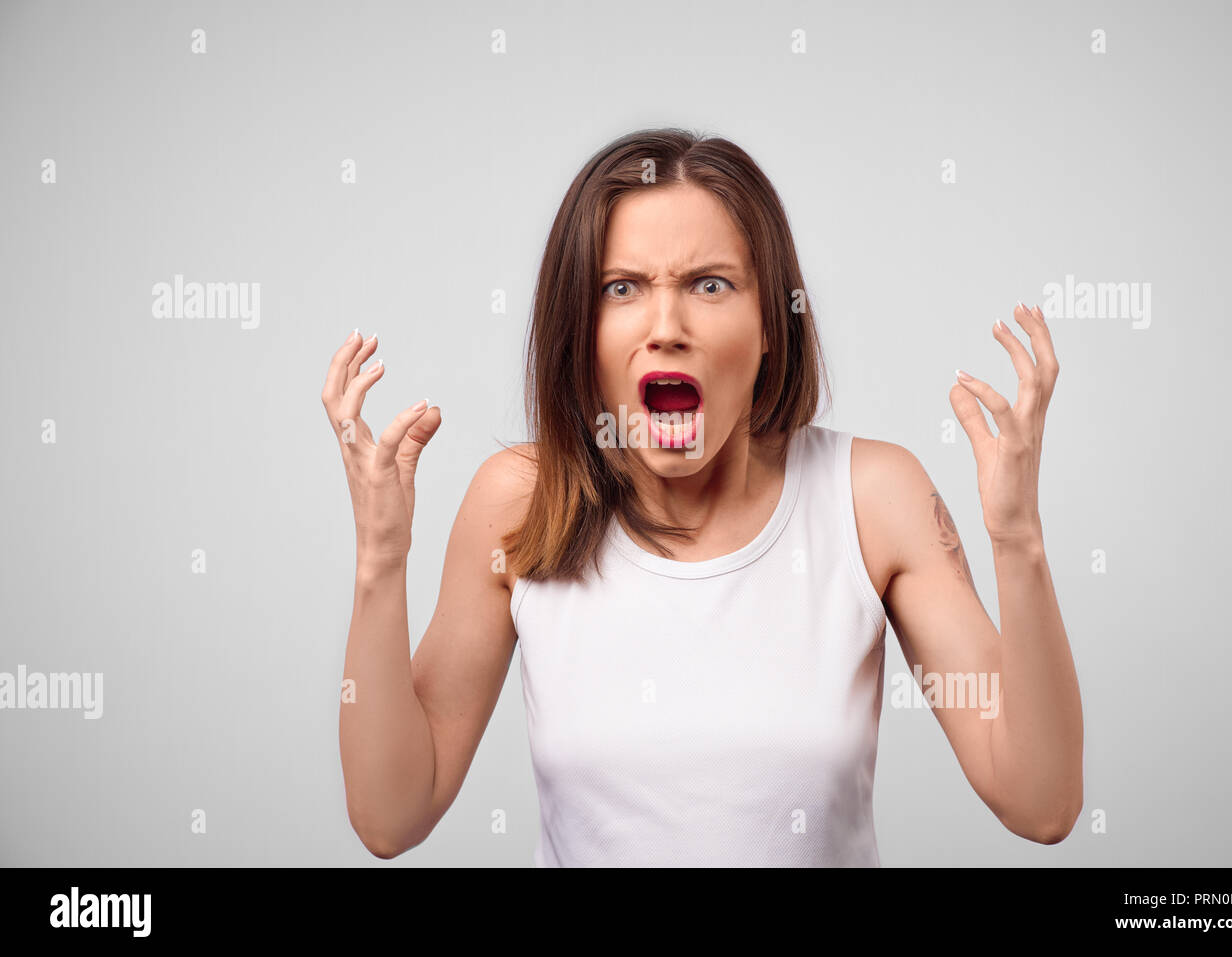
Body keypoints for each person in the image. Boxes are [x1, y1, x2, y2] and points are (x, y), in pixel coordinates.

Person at [321, 128, 1083, 866]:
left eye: (709, 284)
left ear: (769, 330)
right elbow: (393, 817)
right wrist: (380, 559)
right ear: (577, 333)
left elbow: (1040, 802)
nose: (666, 327)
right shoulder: (521, 503)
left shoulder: (873, 496)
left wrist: (1019, 537)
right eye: (622, 288)